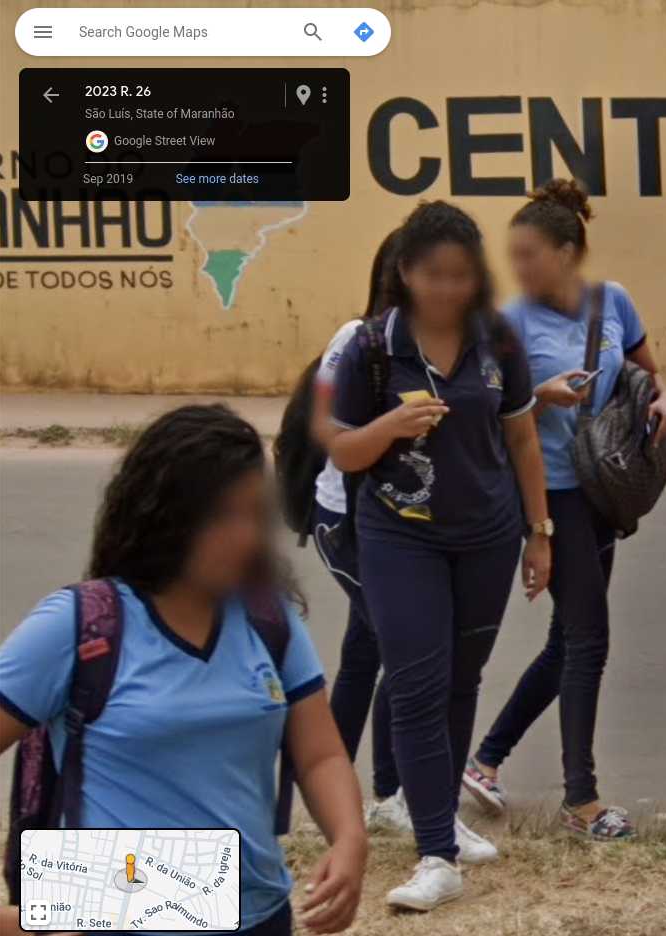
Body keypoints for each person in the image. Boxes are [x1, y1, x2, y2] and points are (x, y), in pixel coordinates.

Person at [0, 404, 367, 936]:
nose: (246, 536)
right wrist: (25, 924)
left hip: (259, 915)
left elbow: (321, 756)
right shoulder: (81, 625)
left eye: (254, 514)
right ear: (164, 515)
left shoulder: (269, 619)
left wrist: (350, 839)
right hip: (115, 917)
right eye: (222, 516)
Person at [326, 200, 552, 910]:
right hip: (399, 536)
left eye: (462, 275)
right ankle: (437, 857)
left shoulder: (498, 341)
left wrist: (540, 532)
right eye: (434, 275)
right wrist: (392, 424)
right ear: (405, 272)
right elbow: (342, 449)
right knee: (417, 684)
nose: (449, 289)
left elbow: (521, 440)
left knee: (460, 682)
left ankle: (439, 819)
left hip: (488, 535)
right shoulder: (371, 347)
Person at [461, 179, 666, 841]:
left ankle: (484, 761)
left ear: (565, 253)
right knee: (589, 639)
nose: (518, 268)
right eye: (513, 255)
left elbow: (645, 369)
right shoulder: (508, 324)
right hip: (550, 491)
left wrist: (665, 398)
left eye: (528, 254)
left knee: (568, 639)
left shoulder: (613, 301)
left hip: (601, 486)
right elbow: (489, 419)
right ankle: (580, 803)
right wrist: (542, 399)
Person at [307, 228, 406, 831]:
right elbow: (324, 424)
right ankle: (389, 794)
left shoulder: (433, 344)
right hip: (343, 518)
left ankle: (344, 792)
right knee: (403, 646)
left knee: (365, 652)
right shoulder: (355, 338)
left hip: (388, 523)